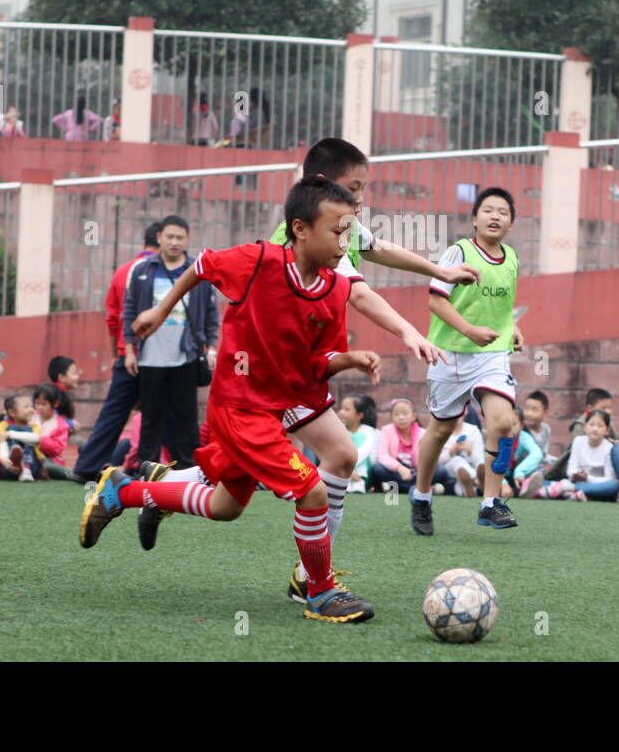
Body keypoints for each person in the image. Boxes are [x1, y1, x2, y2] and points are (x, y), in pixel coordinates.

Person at [138, 138, 475, 604]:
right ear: (322, 185)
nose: (360, 200)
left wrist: (438, 268)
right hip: (270, 377)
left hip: (298, 371)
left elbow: (378, 247)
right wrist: (409, 332)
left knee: (232, 496)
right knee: (329, 464)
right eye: (354, 188)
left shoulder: (340, 227)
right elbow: (355, 292)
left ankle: (154, 488)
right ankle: (315, 580)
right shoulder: (301, 243)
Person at [83, 175, 381, 623]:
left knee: (226, 507)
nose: (346, 241)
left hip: (276, 411)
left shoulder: (336, 291)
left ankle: (124, 492)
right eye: (338, 230)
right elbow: (202, 264)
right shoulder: (259, 260)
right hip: (239, 408)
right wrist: (161, 309)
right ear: (300, 229)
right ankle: (319, 592)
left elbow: (317, 363)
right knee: (312, 490)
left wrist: (349, 358)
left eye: (350, 232)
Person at [411, 186, 527, 535]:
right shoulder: (457, 252)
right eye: (488, 210)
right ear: (474, 219)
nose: (495, 216)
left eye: (503, 212)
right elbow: (435, 301)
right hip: (450, 355)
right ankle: (421, 496)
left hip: (490, 356)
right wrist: (469, 330)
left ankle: (491, 502)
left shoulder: (512, 258)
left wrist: (514, 329)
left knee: (503, 422)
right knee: (441, 429)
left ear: (511, 223)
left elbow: (503, 309)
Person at [122, 215, 219, 469]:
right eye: (170, 237)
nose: (174, 242)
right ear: (159, 238)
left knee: (185, 417)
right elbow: (129, 311)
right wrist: (130, 352)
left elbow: (211, 315)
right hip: (149, 355)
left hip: (185, 354)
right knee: (151, 416)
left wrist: (212, 347)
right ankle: (147, 468)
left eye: (180, 237)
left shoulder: (198, 272)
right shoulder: (143, 270)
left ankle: (189, 470)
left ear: (188, 240)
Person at [72, 221, 161, 482]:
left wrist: (117, 352)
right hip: (158, 357)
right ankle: (150, 469)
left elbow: (112, 318)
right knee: (159, 413)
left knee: (113, 412)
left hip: (126, 352)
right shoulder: (161, 272)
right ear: (161, 240)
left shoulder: (123, 271)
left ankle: (86, 466)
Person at [531, 409, 619, 501]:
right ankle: (575, 493)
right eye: (591, 424)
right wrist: (576, 475)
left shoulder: (609, 448)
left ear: (607, 430)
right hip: (576, 481)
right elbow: (571, 469)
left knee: (613, 486)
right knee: (545, 482)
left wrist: (587, 478)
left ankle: (568, 490)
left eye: (600, 426)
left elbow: (610, 478)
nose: (595, 429)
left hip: (595, 486)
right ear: (585, 427)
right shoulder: (578, 441)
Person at [371, 398, 440, 494]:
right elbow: (382, 456)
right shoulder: (386, 430)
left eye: (405, 413)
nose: (401, 417)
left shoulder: (423, 433)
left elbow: (429, 457)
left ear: (414, 416)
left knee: (441, 471)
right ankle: (419, 488)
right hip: (396, 471)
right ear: (392, 417)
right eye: (397, 414)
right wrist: (399, 468)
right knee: (378, 468)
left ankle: (401, 487)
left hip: (417, 473)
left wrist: (418, 471)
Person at [0, 394, 42, 482]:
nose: (31, 410)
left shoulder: (34, 427)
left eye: (31, 406)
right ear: (12, 412)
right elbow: (2, 442)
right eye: (26, 407)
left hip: (31, 467)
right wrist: (4, 460)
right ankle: (15, 454)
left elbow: (36, 438)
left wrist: (10, 434)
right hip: (7, 465)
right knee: (12, 427)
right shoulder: (2, 425)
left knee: (27, 430)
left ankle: (26, 467)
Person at [32, 383, 78, 480]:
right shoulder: (30, 417)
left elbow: (57, 448)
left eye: (44, 404)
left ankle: (68, 473)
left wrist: (40, 440)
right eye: (37, 403)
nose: (40, 407)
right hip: (31, 455)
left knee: (46, 465)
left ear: (55, 404)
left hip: (50, 459)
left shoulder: (61, 425)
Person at [335, 394, 378, 494]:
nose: (341, 412)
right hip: (341, 469)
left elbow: (364, 453)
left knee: (358, 438)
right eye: (341, 408)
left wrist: (349, 469)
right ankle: (346, 483)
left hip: (362, 472)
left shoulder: (369, 432)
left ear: (359, 415)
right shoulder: (337, 429)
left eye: (346, 409)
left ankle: (359, 483)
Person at [439, 414, 485, 498]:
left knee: (461, 485)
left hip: (470, 468)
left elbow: (480, 460)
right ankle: (476, 479)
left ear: (466, 411)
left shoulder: (473, 430)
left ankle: (469, 491)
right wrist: (451, 452)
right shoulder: (440, 431)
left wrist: (470, 452)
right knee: (457, 460)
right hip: (448, 470)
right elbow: (436, 462)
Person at [521, 390, 552, 458]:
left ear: (545, 413)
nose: (529, 413)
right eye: (527, 408)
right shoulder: (522, 430)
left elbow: (544, 454)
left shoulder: (546, 429)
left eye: (534, 410)